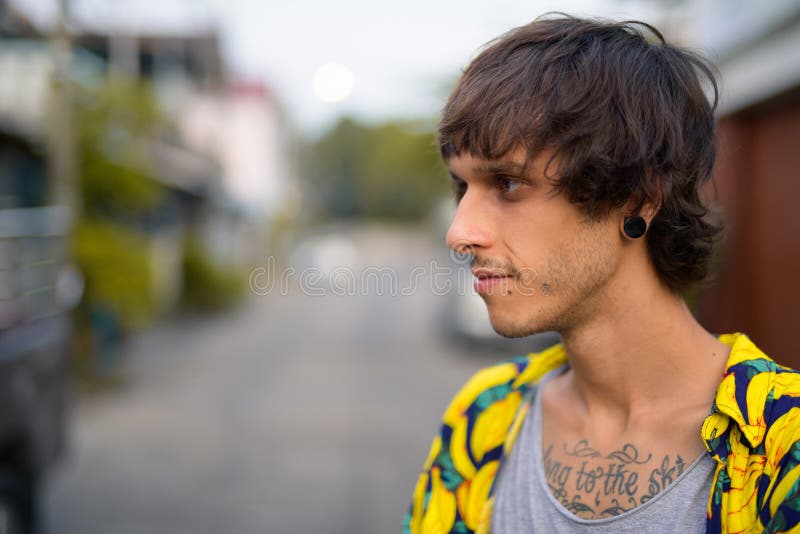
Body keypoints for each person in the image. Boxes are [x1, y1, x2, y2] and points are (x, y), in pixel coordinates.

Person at [403, 14, 800, 534]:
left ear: (637, 195)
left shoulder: (779, 448)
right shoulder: (484, 418)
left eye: (507, 183)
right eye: (462, 188)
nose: (460, 232)